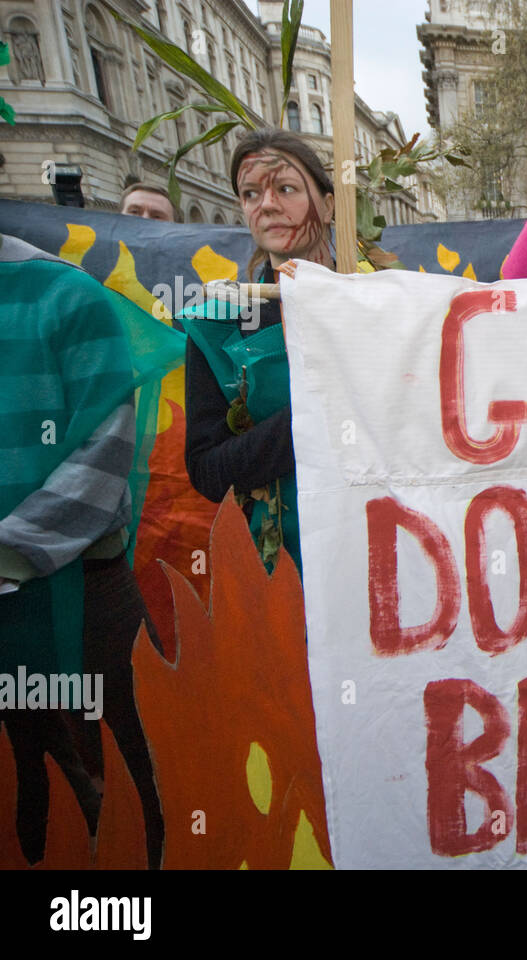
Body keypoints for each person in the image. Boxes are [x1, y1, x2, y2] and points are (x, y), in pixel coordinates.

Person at [0, 233, 174, 868]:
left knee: (123, 804)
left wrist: (9, 554)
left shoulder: (67, 297)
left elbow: (101, 455)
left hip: (81, 603)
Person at [181, 129, 335, 572]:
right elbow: (208, 471)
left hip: (379, 548)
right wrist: (314, 418)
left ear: (327, 203)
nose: (266, 205)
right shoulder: (217, 323)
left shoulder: (381, 302)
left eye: (285, 189)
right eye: (250, 193)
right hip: (281, 571)